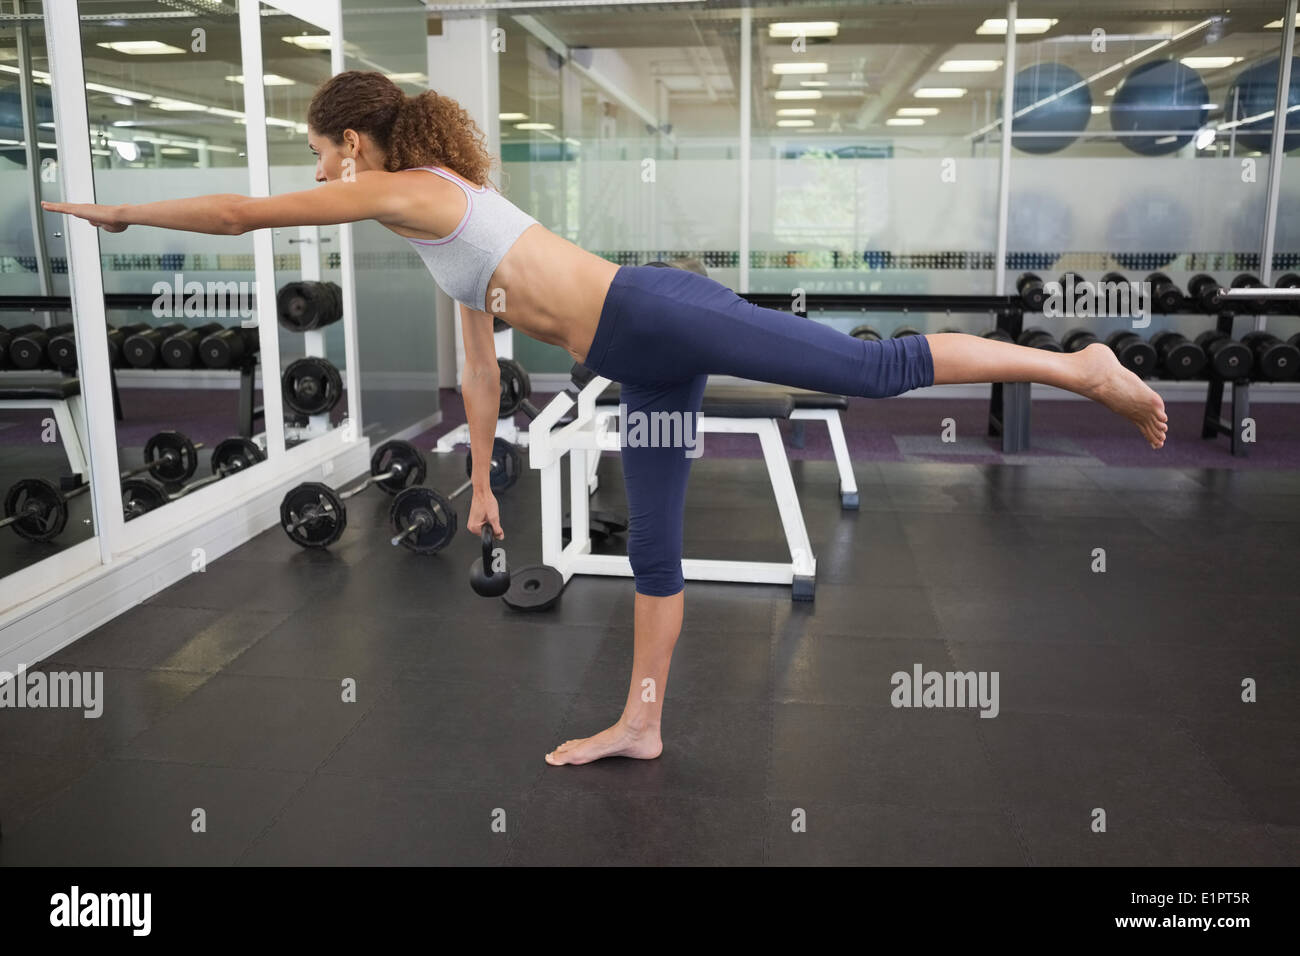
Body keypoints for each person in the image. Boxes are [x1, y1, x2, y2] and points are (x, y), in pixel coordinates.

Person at [44, 71, 1167, 768]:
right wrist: (482, 477)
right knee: (659, 550)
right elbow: (478, 367)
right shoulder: (432, 234)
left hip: (656, 311)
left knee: (869, 373)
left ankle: (1080, 364)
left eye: (317, 147)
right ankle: (642, 720)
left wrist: (123, 208)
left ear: (350, 144)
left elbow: (246, 214)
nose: (316, 166)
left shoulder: (419, 189)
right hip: (644, 363)